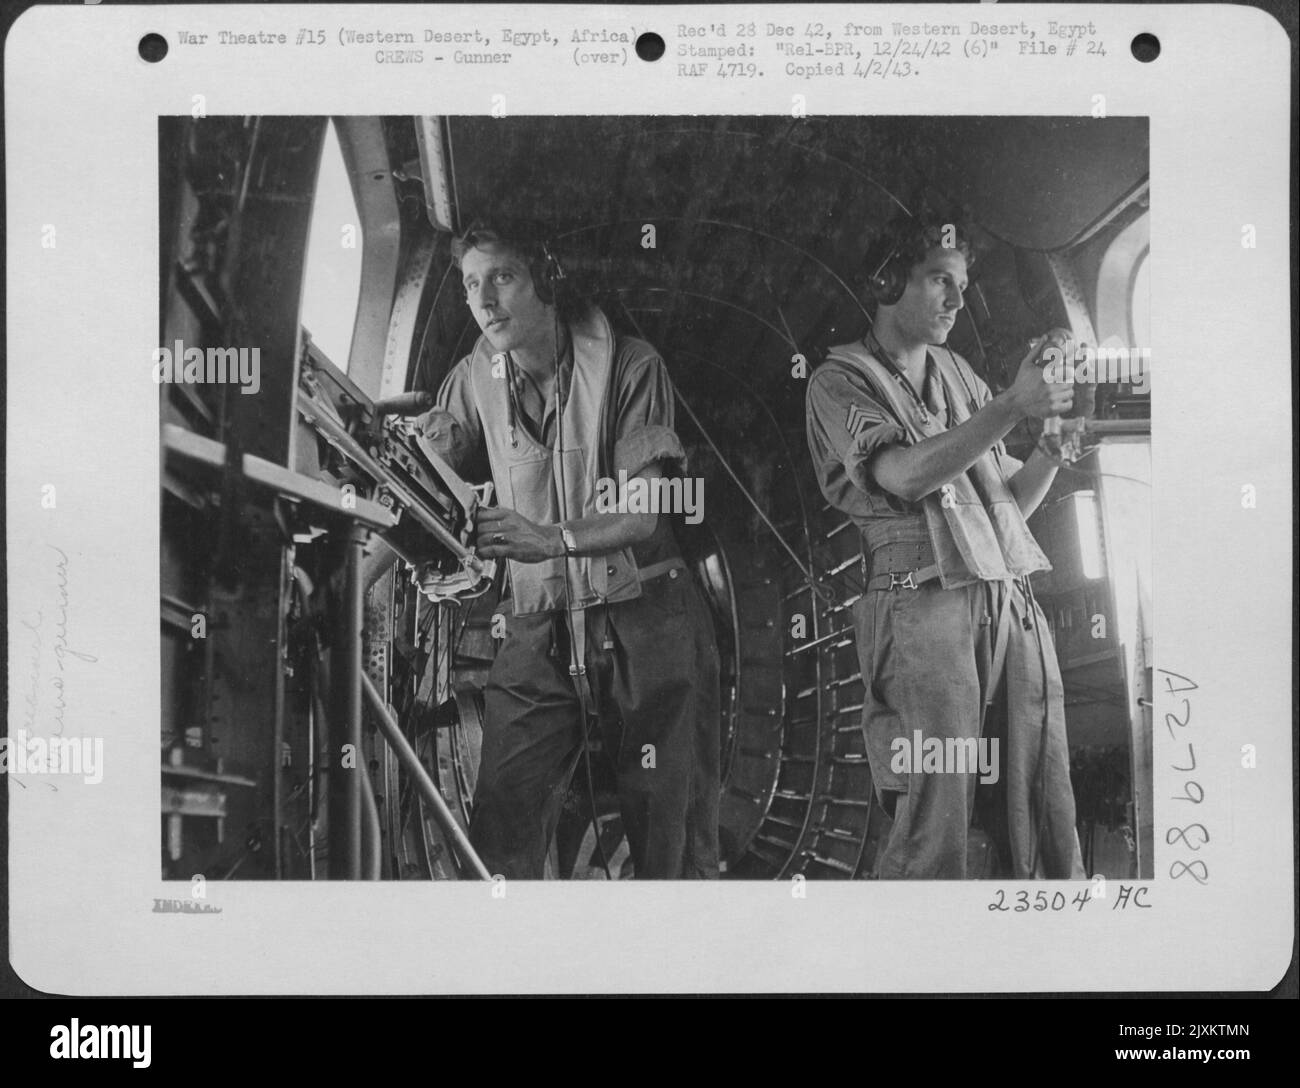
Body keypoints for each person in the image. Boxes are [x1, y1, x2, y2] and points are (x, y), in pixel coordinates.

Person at [417, 220, 720, 880]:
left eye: (502, 277)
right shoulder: (473, 379)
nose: (484, 301)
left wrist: (551, 539)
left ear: (547, 280)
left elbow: (642, 511)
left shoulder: (633, 365)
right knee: (500, 835)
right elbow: (430, 472)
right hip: (537, 627)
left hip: (646, 616)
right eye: (471, 284)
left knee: (670, 847)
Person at [805, 216, 1087, 880]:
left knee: (1044, 805)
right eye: (940, 280)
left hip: (1007, 601)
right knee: (936, 823)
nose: (958, 301)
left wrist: (1048, 451)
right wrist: (1011, 406)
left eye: (961, 284)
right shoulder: (837, 382)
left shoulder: (960, 375)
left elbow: (1005, 508)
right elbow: (904, 476)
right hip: (922, 608)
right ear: (887, 281)